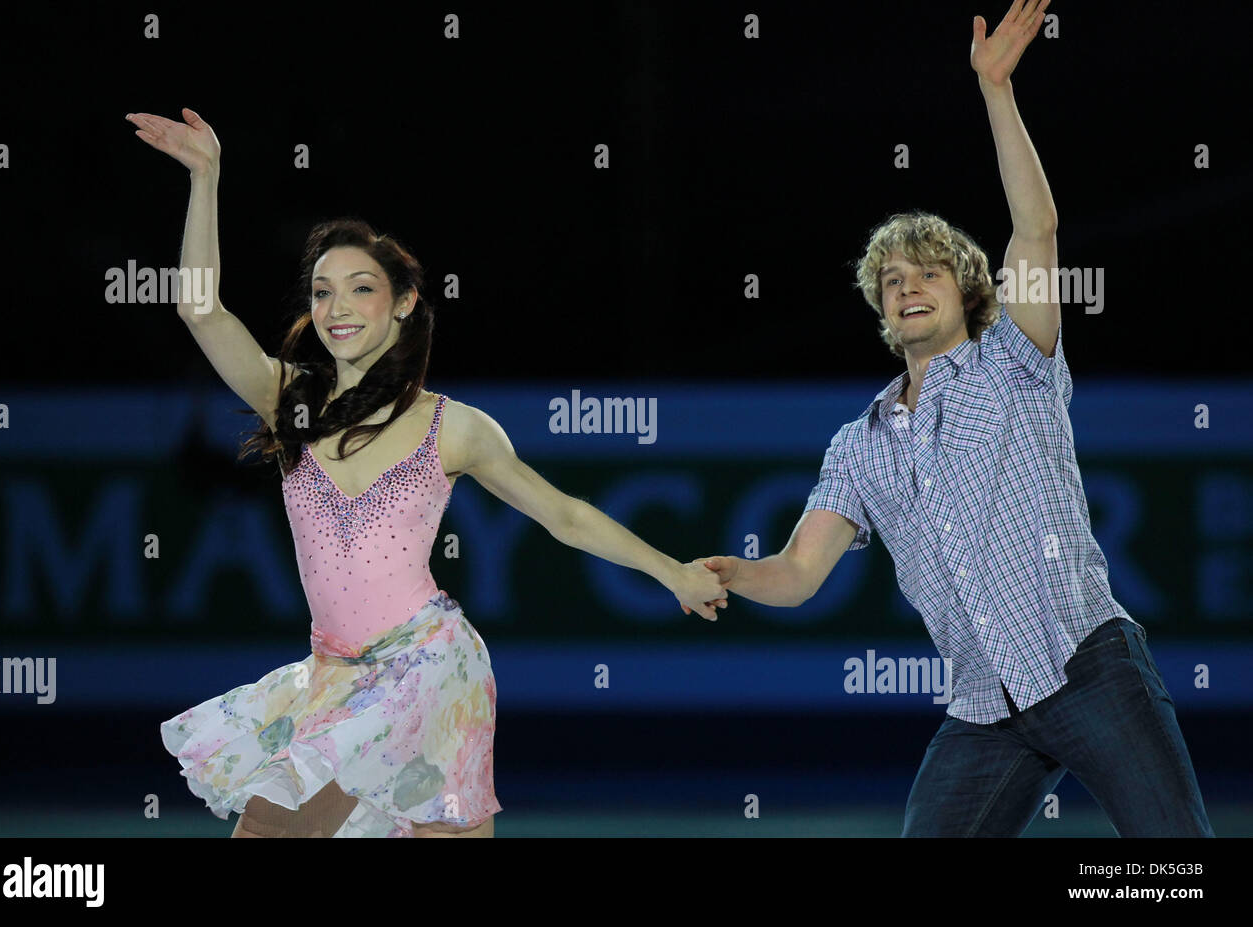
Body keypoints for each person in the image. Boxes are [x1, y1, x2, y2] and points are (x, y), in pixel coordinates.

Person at [130, 108, 727, 838]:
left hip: (429, 667)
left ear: (405, 303)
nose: (337, 308)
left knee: (274, 827)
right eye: (322, 291)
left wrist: (673, 572)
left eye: (360, 288)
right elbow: (199, 308)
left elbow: (564, 514)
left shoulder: (455, 427)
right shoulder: (291, 401)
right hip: (333, 676)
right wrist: (206, 178)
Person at [697, 0, 1213, 837]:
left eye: (926, 271)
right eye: (891, 279)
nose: (907, 285)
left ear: (965, 290)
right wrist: (731, 574)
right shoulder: (856, 444)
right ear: (880, 307)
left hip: (1089, 666)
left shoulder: (1017, 357)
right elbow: (797, 571)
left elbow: (1036, 227)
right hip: (984, 707)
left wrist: (997, 92)